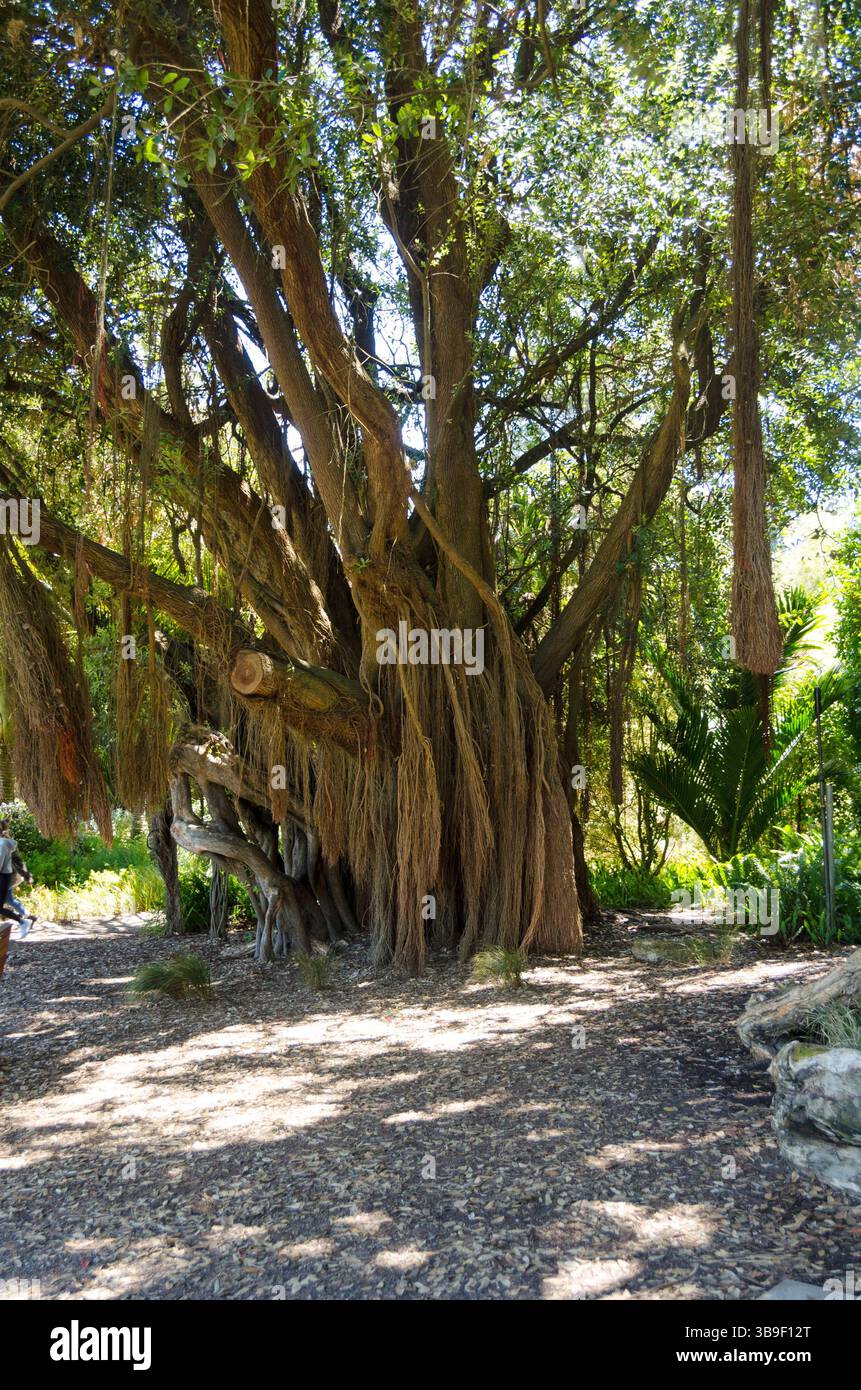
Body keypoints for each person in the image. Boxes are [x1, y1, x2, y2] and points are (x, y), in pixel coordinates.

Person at [0, 820, 34, 936]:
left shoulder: (4, 844)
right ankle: (27, 917)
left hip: (7, 877)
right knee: (9, 899)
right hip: (7, 876)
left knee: (5, 901)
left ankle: (24, 920)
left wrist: (27, 875)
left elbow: (17, 861)